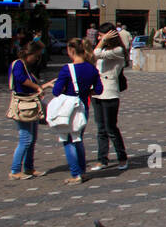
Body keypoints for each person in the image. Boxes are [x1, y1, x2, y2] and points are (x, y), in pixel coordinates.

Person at [52, 38, 102, 184]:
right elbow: (99, 89)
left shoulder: (67, 69)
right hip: (83, 107)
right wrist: (87, 91)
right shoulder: (91, 68)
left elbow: (56, 91)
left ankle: (75, 174)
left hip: (68, 110)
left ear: (71, 51)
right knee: (78, 139)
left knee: (68, 141)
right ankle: (82, 171)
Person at [91, 22, 129, 171]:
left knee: (111, 128)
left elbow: (96, 54)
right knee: (100, 128)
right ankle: (102, 159)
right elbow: (92, 56)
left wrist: (103, 40)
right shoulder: (103, 48)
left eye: (102, 35)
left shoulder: (118, 50)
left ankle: (122, 157)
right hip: (97, 91)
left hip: (110, 92)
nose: (99, 38)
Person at [8, 42, 46, 180]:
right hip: (23, 105)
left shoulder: (26, 66)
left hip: (31, 104)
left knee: (32, 138)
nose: (37, 58)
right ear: (30, 53)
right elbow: (20, 79)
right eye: (36, 56)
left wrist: (41, 87)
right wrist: (37, 87)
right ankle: (15, 170)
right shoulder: (19, 64)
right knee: (26, 138)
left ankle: (29, 168)